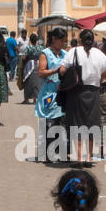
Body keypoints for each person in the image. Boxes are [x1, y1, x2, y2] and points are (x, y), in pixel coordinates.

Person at [61, 29, 106, 166]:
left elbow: (62, 70)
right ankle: (89, 157)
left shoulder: (73, 51)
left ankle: (79, 157)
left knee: (76, 124)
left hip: (76, 91)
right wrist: (98, 77)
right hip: (94, 91)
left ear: (80, 39)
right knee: (91, 124)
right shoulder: (99, 54)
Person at [35, 28, 68, 163]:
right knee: (48, 123)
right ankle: (45, 154)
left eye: (65, 41)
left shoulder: (65, 53)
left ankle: (59, 152)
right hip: (49, 92)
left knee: (61, 122)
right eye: (62, 40)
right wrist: (57, 70)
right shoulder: (45, 53)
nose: (64, 43)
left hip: (62, 91)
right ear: (54, 39)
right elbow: (41, 72)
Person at [20, 33, 42, 103]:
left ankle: (26, 99)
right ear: (36, 40)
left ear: (30, 40)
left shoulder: (28, 47)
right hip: (38, 65)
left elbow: (24, 57)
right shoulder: (40, 47)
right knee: (37, 82)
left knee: (27, 81)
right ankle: (35, 99)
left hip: (29, 65)